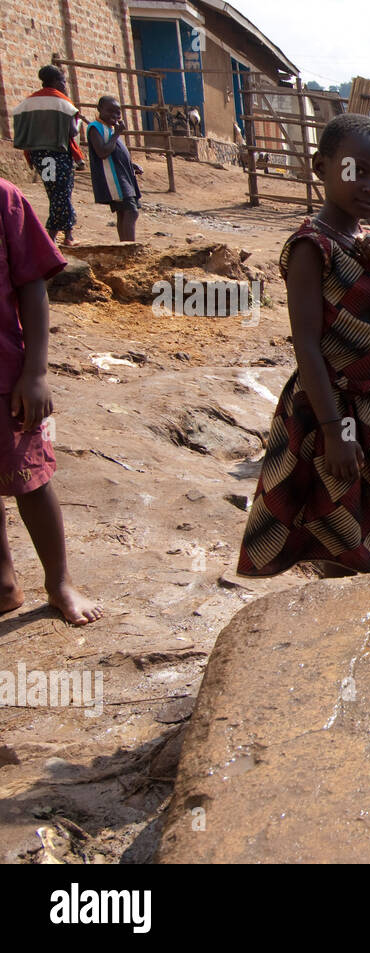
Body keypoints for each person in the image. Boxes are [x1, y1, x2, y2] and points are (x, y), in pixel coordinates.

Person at [237, 114, 370, 577]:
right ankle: (339, 610)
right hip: (337, 407)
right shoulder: (313, 247)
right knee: (339, 515)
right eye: (357, 171)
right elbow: (306, 346)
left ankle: (369, 606)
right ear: (320, 166)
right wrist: (333, 431)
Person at [0, 177, 103, 624]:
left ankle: (59, 582)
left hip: (6, 377)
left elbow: (32, 286)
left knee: (31, 478)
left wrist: (36, 372)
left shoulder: (6, 200)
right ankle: (4, 583)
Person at [13, 66, 84, 245]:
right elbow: (72, 132)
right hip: (57, 155)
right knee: (61, 193)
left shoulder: (28, 102)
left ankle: (68, 234)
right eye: (63, 81)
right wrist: (77, 120)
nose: (64, 85)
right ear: (55, 82)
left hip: (39, 156)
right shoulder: (62, 103)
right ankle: (51, 236)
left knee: (56, 192)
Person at [86, 96, 144, 242]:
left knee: (123, 212)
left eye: (118, 112)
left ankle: (124, 246)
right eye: (110, 111)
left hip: (123, 175)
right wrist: (117, 134)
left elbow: (117, 152)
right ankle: (129, 248)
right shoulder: (95, 128)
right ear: (99, 110)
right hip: (113, 178)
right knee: (131, 212)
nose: (115, 115)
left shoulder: (110, 129)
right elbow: (103, 152)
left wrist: (131, 166)